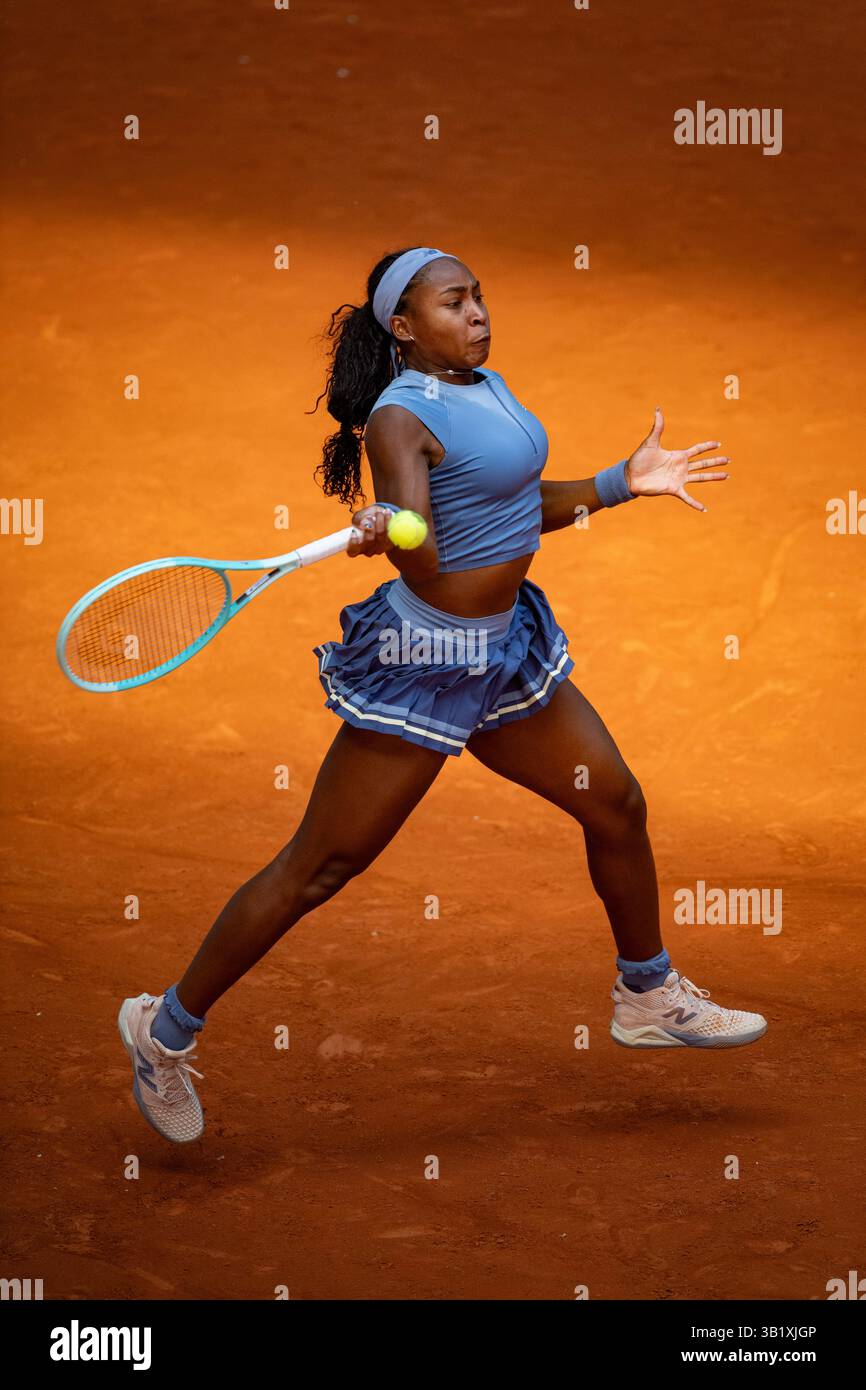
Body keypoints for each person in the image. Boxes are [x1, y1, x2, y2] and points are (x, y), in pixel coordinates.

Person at [118, 246, 767, 1145]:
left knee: (614, 801)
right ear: (404, 325)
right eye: (454, 302)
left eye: (479, 297)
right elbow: (426, 552)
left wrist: (622, 483)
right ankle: (163, 1030)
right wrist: (392, 529)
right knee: (320, 867)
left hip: (503, 654)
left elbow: (508, 507)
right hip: (426, 661)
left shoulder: (484, 386)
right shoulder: (398, 419)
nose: (477, 313)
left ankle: (647, 991)